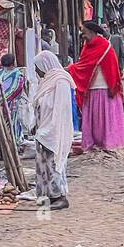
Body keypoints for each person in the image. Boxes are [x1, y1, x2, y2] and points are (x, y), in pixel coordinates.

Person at [67, 20, 124, 152]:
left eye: (85, 33)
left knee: (103, 118)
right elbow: (84, 64)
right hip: (91, 87)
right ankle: (93, 142)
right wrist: (73, 69)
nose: (83, 35)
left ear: (92, 32)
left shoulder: (104, 46)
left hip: (104, 87)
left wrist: (71, 68)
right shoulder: (86, 47)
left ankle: (106, 142)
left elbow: (112, 67)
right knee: (93, 118)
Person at [30, 51, 75, 210]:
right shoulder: (46, 82)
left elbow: (59, 110)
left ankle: (60, 196)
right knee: (44, 165)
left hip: (54, 130)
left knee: (54, 164)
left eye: (37, 68)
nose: (36, 71)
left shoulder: (60, 82)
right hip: (43, 130)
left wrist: (50, 131)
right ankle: (48, 195)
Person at [0, 53, 32, 149]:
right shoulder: (17, 74)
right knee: (11, 124)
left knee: (7, 125)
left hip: (3, 103)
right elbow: (16, 89)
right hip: (8, 103)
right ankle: (12, 144)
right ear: (13, 63)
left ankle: (10, 144)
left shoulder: (0, 73)